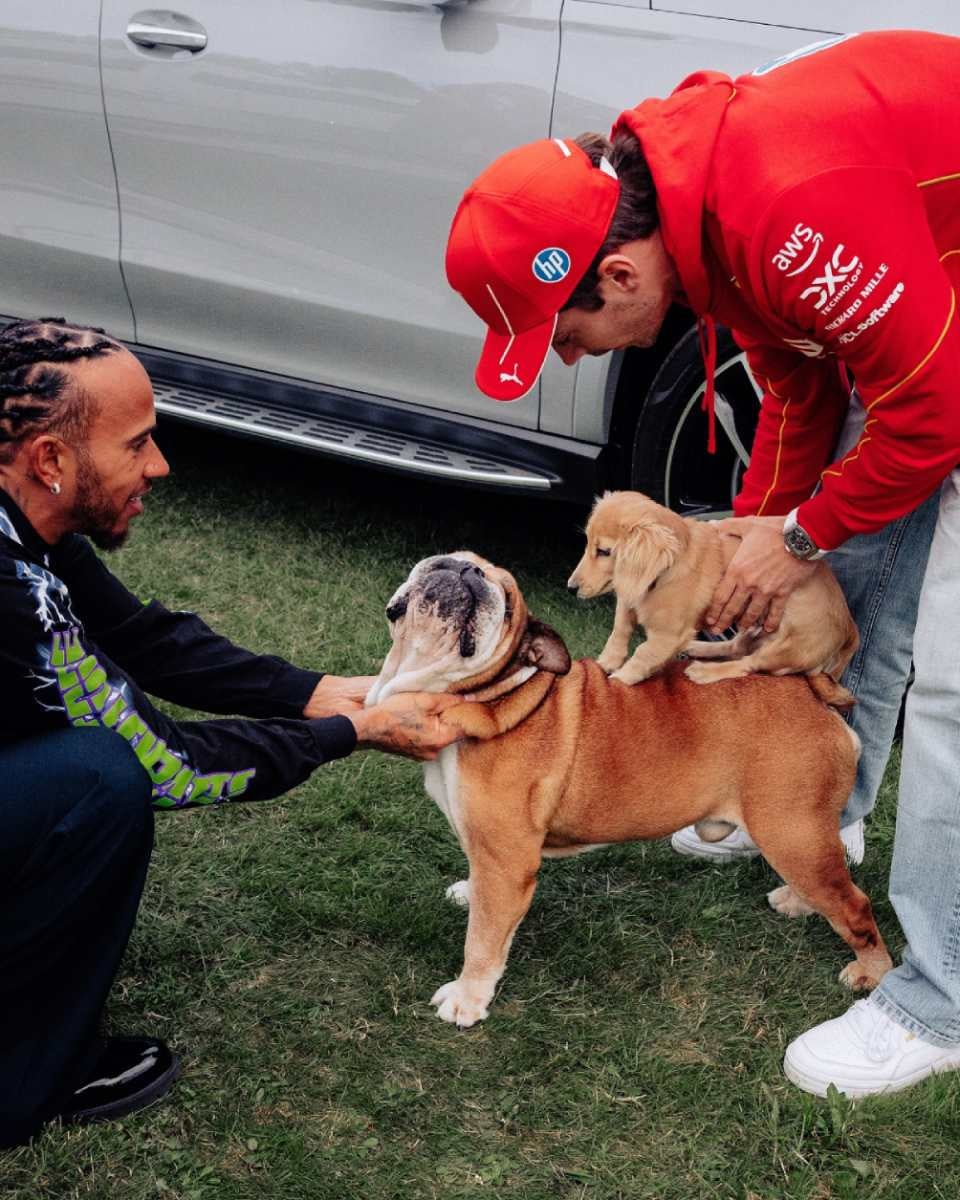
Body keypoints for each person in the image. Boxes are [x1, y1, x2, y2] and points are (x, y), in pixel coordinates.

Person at [445, 30, 960, 1099]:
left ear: (619, 273)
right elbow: (804, 391)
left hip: (942, 368)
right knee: (852, 582)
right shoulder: (700, 213)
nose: (572, 357)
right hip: (930, 323)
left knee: (953, 685)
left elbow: (936, 414)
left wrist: (799, 537)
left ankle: (940, 998)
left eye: (566, 335)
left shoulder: (783, 212)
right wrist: (758, 538)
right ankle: (813, 806)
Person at [0, 317, 463, 1148]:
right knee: (96, 779)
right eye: (137, 444)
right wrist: (351, 732)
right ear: (50, 459)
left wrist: (312, 692)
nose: (159, 465)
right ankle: (22, 1080)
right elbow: (166, 766)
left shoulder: (25, 517)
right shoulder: (10, 584)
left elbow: (141, 636)